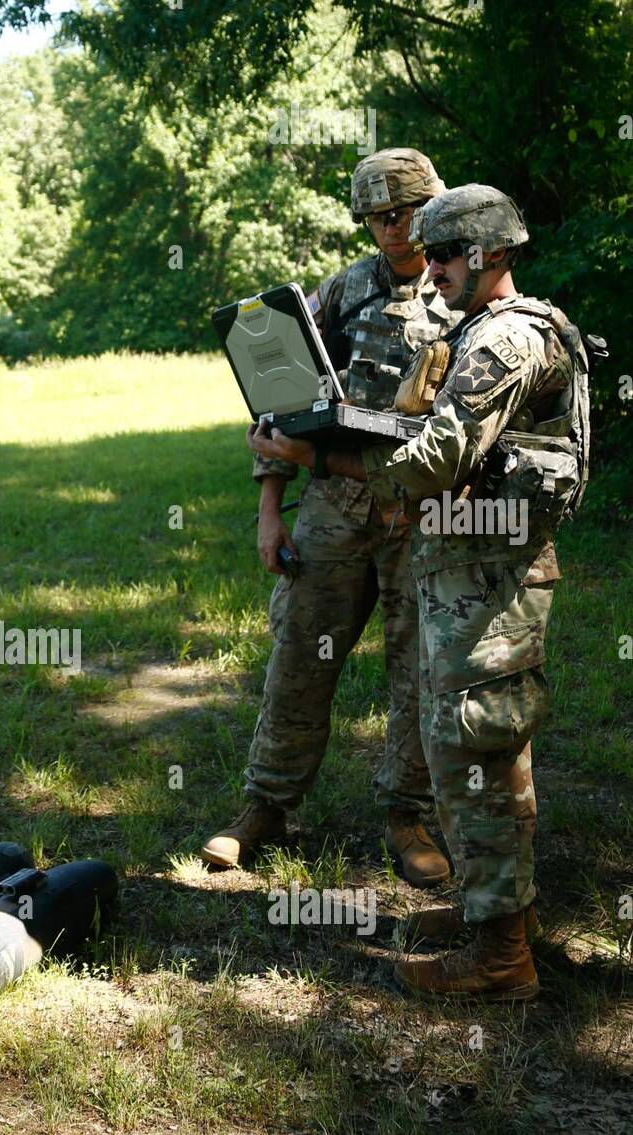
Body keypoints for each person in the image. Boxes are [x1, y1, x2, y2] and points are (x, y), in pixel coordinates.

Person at [250, 184, 593, 1001]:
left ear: (491, 255)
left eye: (445, 253)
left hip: (487, 580)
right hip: (471, 572)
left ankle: (501, 958)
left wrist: (321, 462)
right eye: (426, 251)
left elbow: (435, 462)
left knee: (474, 744)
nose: (428, 268)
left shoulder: (505, 341)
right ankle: (503, 915)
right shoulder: (486, 328)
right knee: (480, 743)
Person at [203, 148, 456, 889]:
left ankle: (407, 815)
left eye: (404, 211)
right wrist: (269, 508)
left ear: (432, 208)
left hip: (421, 512)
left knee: (420, 673)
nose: (393, 228)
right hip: (335, 506)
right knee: (299, 659)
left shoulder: (464, 292)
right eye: (377, 217)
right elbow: (283, 395)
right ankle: (267, 806)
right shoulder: (344, 290)